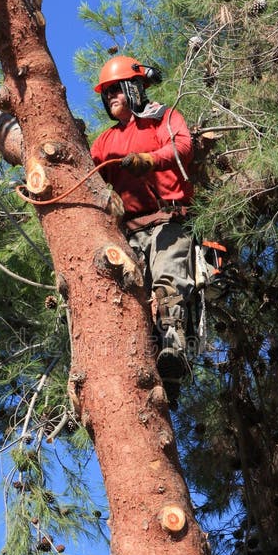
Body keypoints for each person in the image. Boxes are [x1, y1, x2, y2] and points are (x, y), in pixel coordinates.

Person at [90, 54, 195, 407]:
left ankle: (175, 352)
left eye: (114, 91)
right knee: (134, 304)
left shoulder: (164, 118)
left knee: (168, 282)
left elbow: (183, 146)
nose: (109, 99)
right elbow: (87, 175)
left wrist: (151, 159)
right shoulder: (105, 142)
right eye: (105, 95)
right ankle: (154, 375)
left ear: (133, 87)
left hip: (167, 221)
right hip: (129, 234)